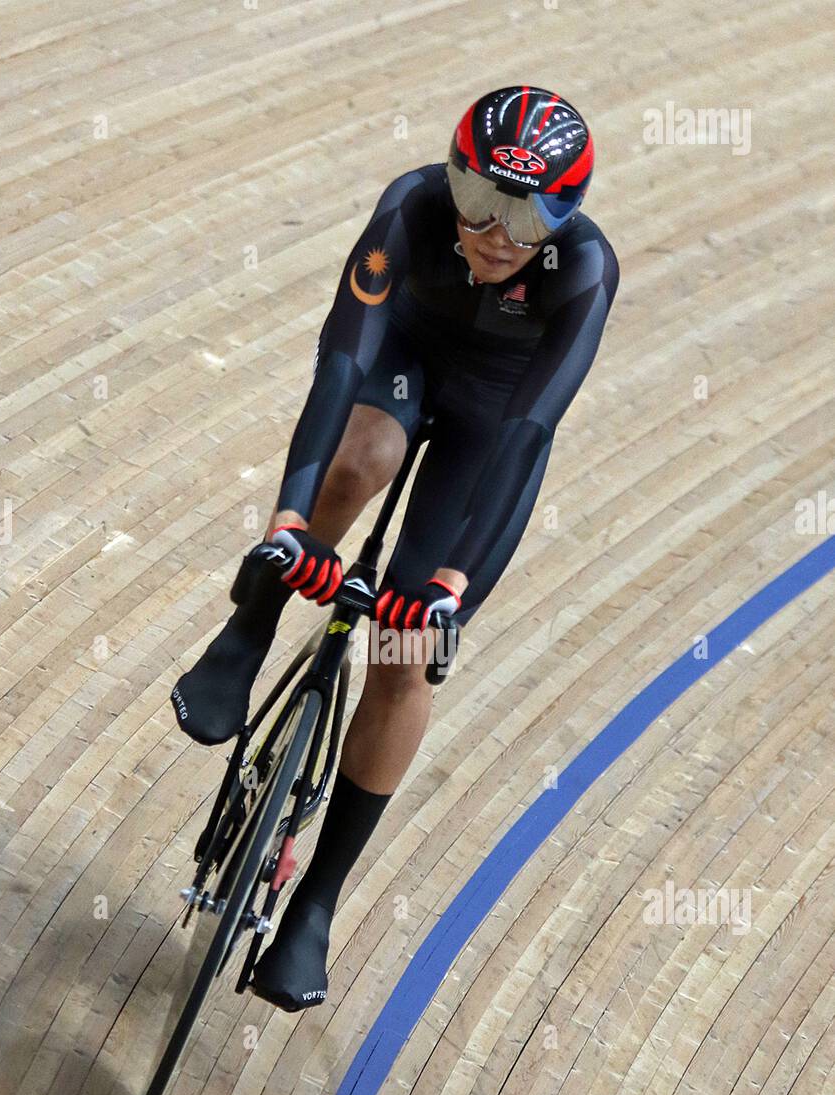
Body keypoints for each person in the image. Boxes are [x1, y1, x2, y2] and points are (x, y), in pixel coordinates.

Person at [170, 85, 620, 1012]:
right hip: (405, 360)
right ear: (450, 173)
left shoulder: (584, 274)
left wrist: (452, 586)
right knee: (358, 459)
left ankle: (315, 906)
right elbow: (341, 361)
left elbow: (530, 431)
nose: (495, 231)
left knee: (403, 653)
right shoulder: (412, 208)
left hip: (492, 418)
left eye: (527, 212)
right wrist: (288, 522)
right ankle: (245, 635)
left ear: (564, 218)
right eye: (479, 195)